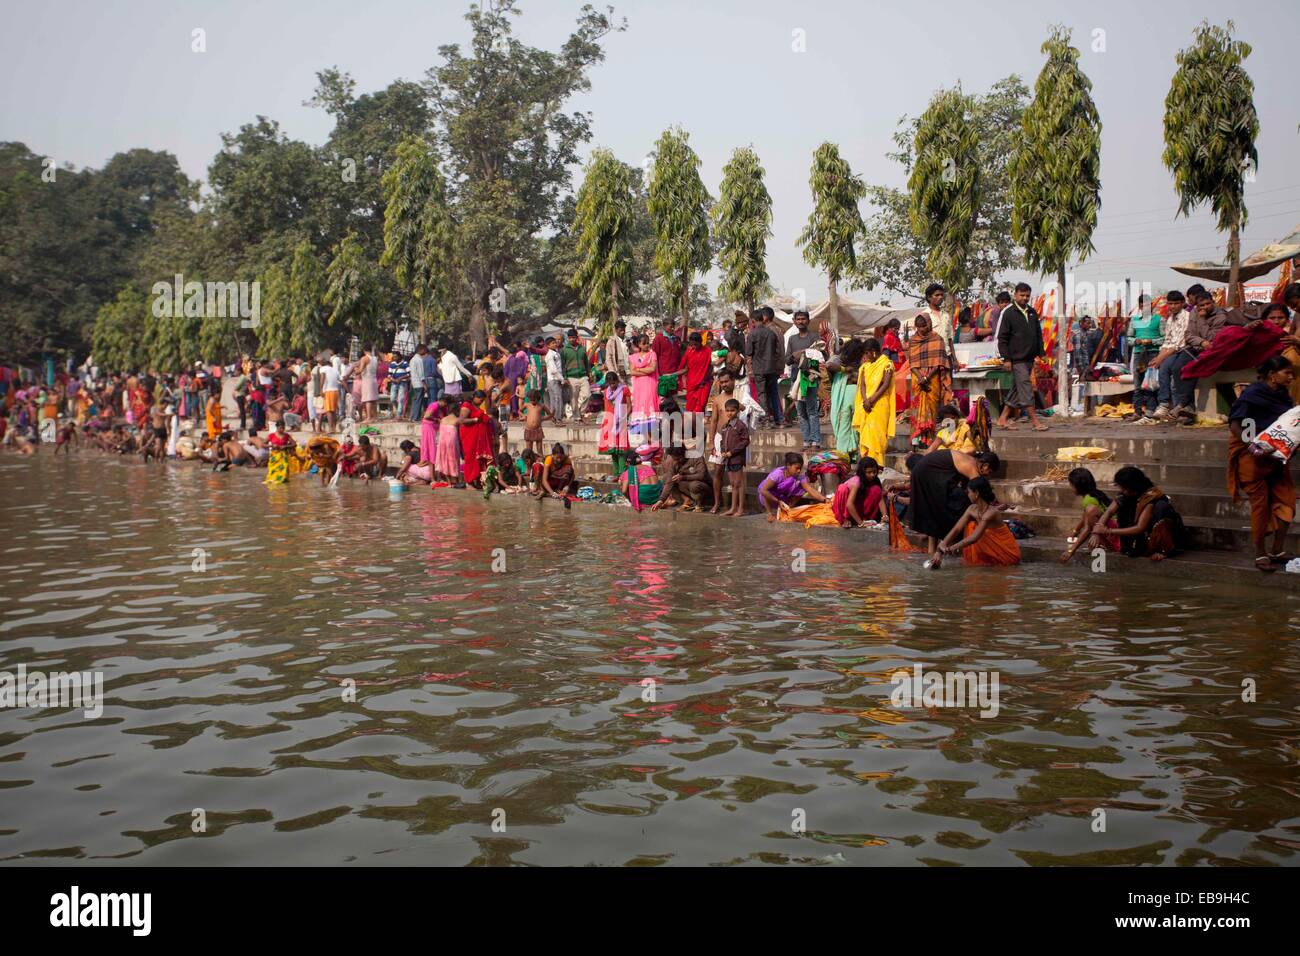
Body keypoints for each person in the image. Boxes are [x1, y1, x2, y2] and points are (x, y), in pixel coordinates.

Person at [1228, 354, 1296, 571]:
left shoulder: (1283, 396)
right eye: (1287, 373)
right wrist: (1252, 445)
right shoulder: (1253, 394)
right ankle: (1260, 554)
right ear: (1272, 375)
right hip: (1253, 457)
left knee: (1287, 502)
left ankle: (1277, 549)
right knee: (1260, 506)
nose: (1291, 378)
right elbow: (1238, 423)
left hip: (1277, 456)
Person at [908, 449, 1001, 556]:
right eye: (989, 472)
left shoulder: (971, 461)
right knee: (953, 508)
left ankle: (933, 551)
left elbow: (969, 490)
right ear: (985, 466)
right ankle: (945, 545)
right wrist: (993, 503)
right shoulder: (972, 468)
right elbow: (980, 493)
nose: (988, 476)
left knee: (936, 511)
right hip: (927, 474)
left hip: (924, 472)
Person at [1093, 465, 1185, 561]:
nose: (1121, 491)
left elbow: (1140, 528)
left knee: (1162, 507)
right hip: (1136, 535)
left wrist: (1108, 531)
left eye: (1123, 489)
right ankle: (1128, 546)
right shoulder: (1126, 494)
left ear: (1132, 488)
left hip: (1152, 535)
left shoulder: (1151, 496)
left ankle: (1162, 551)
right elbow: (1109, 511)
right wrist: (1097, 531)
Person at [934, 477, 1021, 567]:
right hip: (988, 556)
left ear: (976, 493)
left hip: (1006, 555)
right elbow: (957, 528)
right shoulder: (971, 509)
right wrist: (940, 549)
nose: (968, 495)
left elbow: (974, 537)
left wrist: (951, 548)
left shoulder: (991, 513)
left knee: (972, 526)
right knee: (971, 525)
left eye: (969, 492)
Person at [996, 282, 1046, 431]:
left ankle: (1002, 419)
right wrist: (1007, 359)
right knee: (1026, 388)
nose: (1025, 298)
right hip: (1016, 359)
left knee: (1017, 390)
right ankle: (1035, 421)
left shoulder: (1032, 312)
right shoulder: (1009, 313)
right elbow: (1002, 338)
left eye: (1027, 296)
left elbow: (1038, 333)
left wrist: (1041, 353)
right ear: (1015, 295)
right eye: (1022, 295)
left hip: (1029, 357)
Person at [1060, 467, 1119, 562]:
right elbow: (1085, 517)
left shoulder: (1089, 501)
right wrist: (1075, 531)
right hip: (1115, 528)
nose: (1070, 487)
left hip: (1114, 538)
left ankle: (1105, 545)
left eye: (1071, 484)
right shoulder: (1094, 493)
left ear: (1076, 485)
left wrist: (1070, 551)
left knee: (1091, 511)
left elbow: (1087, 529)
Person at [853, 338, 896, 466]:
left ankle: (878, 466)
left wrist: (871, 400)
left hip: (880, 405)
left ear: (873, 352)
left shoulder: (887, 364)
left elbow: (886, 385)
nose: (865, 357)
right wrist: (865, 400)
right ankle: (867, 466)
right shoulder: (865, 367)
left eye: (866, 353)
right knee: (866, 436)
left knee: (877, 437)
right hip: (866, 405)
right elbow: (862, 385)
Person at [907, 312, 950, 435]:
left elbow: (939, 361)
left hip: (932, 377)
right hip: (917, 378)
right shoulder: (913, 341)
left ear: (929, 324)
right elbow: (912, 362)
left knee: (933, 405)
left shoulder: (937, 339)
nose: (921, 329)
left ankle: (930, 436)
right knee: (916, 407)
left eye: (923, 326)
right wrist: (921, 377)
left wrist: (927, 377)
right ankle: (916, 439)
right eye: (918, 326)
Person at [758, 451, 827, 522]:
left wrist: (825, 500)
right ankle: (769, 514)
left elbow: (810, 489)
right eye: (796, 468)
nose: (799, 471)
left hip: (781, 497)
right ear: (788, 465)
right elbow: (764, 491)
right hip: (767, 497)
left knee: (801, 488)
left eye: (800, 468)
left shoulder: (800, 476)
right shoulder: (777, 474)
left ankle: (788, 509)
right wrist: (778, 501)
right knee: (767, 491)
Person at [746, 307, 784, 427]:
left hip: (759, 369)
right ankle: (778, 419)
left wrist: (750, 368)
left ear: (753, 320)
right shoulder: (771, 332)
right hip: (771, 368)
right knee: (772, 392)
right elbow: (777, 351)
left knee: (762, 394)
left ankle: (766, 419)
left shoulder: (752, 334)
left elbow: (748, 353)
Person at [717, 397, 750, 517]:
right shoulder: (725, 426)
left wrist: (732, 452)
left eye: (732, 410)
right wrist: (723, 451)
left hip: (737, 458)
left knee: (739, 483)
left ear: (737, 411)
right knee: (733, 484)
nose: (729, 413)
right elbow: (722, 441)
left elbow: (745, 441)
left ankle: (740, 509)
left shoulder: (740, 425)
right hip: (728, 459)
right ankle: (733, 508)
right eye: (727, 410)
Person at [653, 447, 712, 512]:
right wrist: (661, 500)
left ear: (684, 453)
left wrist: (683, 477)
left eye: (678, 459)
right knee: (666, 478)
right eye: (674, 459)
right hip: (687, 487)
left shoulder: (696, 456)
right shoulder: (674, 461)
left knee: (694, 485)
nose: (676, 461)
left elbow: (702, 475)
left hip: (704, 488)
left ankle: (699, 505)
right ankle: (688, 501)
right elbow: (669, 481)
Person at [456, 390, 494, 487]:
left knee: (478, 459)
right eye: (480, 400)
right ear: (474, 397)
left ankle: (477, 480)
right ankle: (470, 480)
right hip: (469, 438)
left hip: (478, 439)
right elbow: (462, 420)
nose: (481, 402)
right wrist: (476, 419)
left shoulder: (477, 407)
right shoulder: (466, 405)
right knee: (470, 458)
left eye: (482, 400)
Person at [597, 372, 632, 474]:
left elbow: (630, 406)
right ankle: (616, 473)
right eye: (610, 384)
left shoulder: (624, 389)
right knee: (612, 450)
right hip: (609, 422)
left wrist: (624, 417)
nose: (612, 386)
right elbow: (607, 408)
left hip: (621, 422)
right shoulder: (605, 393)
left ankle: (622, 473)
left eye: (614, 383)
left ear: (617, 381)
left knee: (621, 451)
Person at [628, 334, 660, 442]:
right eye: (644, 343)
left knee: (650, 408)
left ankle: (653, 441)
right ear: (639, 345)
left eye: (648, 342)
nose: (647, 345)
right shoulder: (633, 357)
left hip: (650, 385)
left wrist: (639, 369)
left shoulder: (652, 354)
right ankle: (648, 441)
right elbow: (632, 371)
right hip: (639, 387)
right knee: (641, 410)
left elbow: (652, 369)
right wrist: (644, 369)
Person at [432, 395, 462, 484]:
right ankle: (456, 482)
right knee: (453, 460)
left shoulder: (443, 419)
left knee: (444, 460)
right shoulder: (457, 420)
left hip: (442, 443)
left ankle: (449, 482)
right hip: (452, 443)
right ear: (457, 410)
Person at [263, 420, 297, 485]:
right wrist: (272, 445)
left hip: (283, 456)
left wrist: (286, 446)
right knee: (273, 470)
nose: (282, 429)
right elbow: (263, 444)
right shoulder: (271, 435)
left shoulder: (287, 435)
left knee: (284, 470)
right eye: (280, 428)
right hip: (274, 456)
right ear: (277, 427)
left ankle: (283, 482)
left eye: (283, 428)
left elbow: (294, 444)